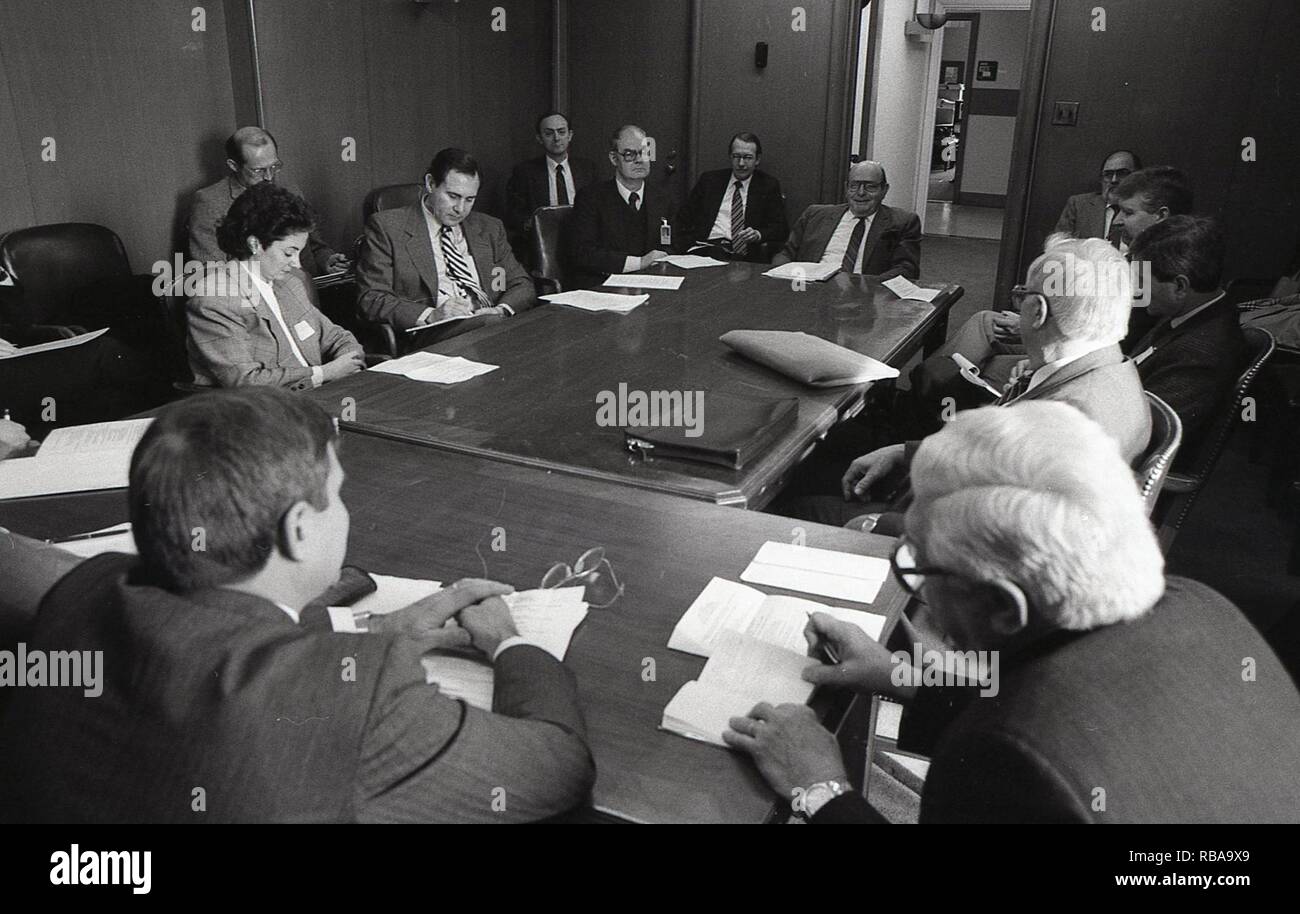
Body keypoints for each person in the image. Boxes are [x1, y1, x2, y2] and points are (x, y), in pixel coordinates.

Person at [0, 388, 596, 823]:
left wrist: (372, 629)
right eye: (337, 495)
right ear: (300, 531)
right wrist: (511, 642)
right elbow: (558, 769)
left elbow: (215, 643)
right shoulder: (362, 701)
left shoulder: (86, 588)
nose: (345, 509)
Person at [728, 403, 1300, 823]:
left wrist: (820, 786)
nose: (918, 591)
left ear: (1003, 606)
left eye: (921, 571)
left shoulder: (1001, 760)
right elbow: (1050, 678)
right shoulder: (1199, 602)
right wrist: (898, 674)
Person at [776, 235, 1151, 527]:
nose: (1017, 306)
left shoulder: (1066, 418)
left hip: (925, 534)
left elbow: (990, 533)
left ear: (1037, 312)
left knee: (788, 501)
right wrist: (904, 452)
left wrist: (875, 526)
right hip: (944, 490)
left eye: (1022, 297)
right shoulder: (1114, 372)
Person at [913, 165, 1195, 399]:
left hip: (1081, 355)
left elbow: (1110, 330)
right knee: (984, 320)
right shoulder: (1145, 255)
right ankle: (928, 386)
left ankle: (927, 392)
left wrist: (1036, 321)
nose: (1118, 220)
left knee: (985, 363)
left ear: (1162, 216)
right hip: (1074, 339)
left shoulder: (1154, 270)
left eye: (1129, 213)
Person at [186, 183, 365, 391]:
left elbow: (338, 338)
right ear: (254, 245)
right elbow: (245, 382)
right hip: (263, 412)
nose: (297, 264)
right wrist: (324, 373)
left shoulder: (290, 283)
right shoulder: (215, 299)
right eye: (289, 253)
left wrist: (346, 361)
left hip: (321, 396)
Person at [356, 147, 536, 350]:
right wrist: (432, 315)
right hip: (431, 334)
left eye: (470, 200)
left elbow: (520, 283)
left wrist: (501, 310)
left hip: (489, 322)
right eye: (453, 196)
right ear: (431, 184)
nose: (461, 209)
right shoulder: (388, 228)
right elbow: (372, 298)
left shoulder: (489, 228)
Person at [1127, 214, 1248, 448]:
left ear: (1180, 286)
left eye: (1141, 280)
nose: (1134, 290)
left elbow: (1146, 436)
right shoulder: (1187, 313)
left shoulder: (1203, 352)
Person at [188, 127, 348, 275]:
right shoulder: (210, 202)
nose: (269, 177)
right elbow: (212, 273)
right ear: (234, 165)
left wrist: (326, 260)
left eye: (274, 166)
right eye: (258, 170)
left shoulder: (290, 189)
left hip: (304, 289)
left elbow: (313, 244)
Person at [568, 125, 677, 289]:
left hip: (655, 285)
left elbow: (674, 244)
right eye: (629, 154)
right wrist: (639, 263)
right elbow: (583, 253)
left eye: (644, 152)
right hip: (604, 286)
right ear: (613, 158)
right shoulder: (590, 197)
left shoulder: (663, 198)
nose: (639, 160)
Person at [773, 160, 920, 281]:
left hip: (865, 296)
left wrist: (866, 286)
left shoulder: (903, 222)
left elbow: (906, 269)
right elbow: (786, 254)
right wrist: (781, 278)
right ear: (846, 188)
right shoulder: (815, 215)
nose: (860, 193)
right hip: (811, 289)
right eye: (854, 186)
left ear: (884, 190)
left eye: (870, 187)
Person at [675, 132, 788, 262]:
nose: (741, 163)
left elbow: (780, 228)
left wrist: (758, 234)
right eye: (736, 156)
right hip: (706, 249)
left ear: (757, 160)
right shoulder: (709, 181)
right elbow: (684, 217)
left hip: (744, 255)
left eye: (747, 157)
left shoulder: (767, 185)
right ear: (730, 156)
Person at [505, 112, 598, 257]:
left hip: (583, 243)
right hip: (542, 245)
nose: (556, 138)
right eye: (549, 133)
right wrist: (531, 225)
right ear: (539, 138)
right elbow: (514, 214)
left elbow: (598, 207)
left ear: (570, 135)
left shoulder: (587, 169)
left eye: (561, 132)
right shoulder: (524, 172)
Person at [1055, 149, 1142, 245]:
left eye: (1122, 173)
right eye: (1107, 175)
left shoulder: (1148, 208)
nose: (1114, 180)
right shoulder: (1079, 205)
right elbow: (1059, 248)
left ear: (1137, 176)